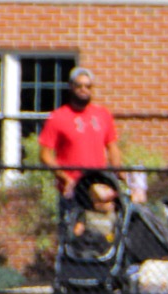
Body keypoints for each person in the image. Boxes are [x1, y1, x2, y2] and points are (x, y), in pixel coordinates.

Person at [38, 67, 123, 203]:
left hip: (98, 186)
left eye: (88, 86)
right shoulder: (58, 117)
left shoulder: (102, 114)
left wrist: (117, 172)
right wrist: (64, 177)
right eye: (79, 86)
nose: (84, 89)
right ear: (71, 87)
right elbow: (45, 155)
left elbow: (112, 147)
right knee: (73, 224)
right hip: (73, 187)